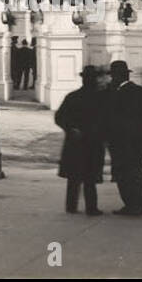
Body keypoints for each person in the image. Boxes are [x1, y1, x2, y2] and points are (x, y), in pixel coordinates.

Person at [55, 66, 105, 215]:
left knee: (74, 177)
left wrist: (71, 129)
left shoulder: (73, 96)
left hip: (75, 143)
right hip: (92, 142)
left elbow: (59, 118)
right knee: (90, 177)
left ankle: (71, 206)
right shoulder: (100, 98)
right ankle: (91, 208)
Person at [104, 60, 142, 216]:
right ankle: (138, 204)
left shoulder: (115, 93)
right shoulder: (141, 91)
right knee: (137, 173)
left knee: (124, 174)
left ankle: (131, 204)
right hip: (137, 140)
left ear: (117, 76)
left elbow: (114, 116)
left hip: (122, 141)